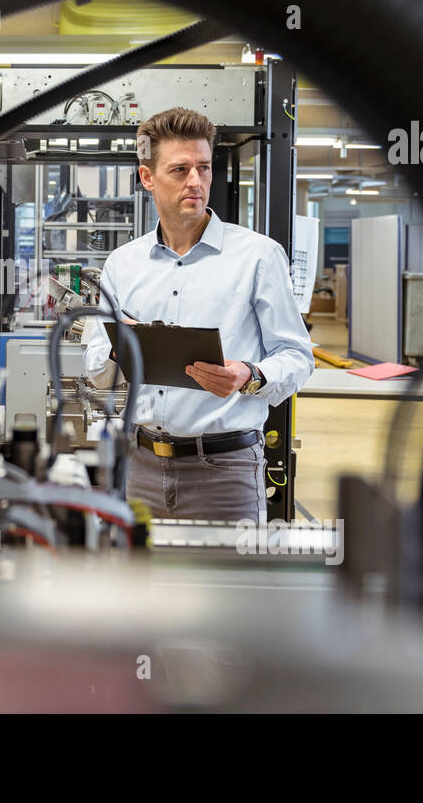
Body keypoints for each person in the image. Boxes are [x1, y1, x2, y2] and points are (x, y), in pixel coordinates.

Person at [83, 107, 314, 521]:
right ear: (147, 177)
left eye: (203, 168)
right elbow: (96, 368)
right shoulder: (122, 264)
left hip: (225, 471)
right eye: (180, 169)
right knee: (139, 582)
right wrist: (122, 347)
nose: (196, 181)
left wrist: (249, 374)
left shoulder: (258, 257)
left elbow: (297, 356)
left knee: (226, 585)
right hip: (140, 466)